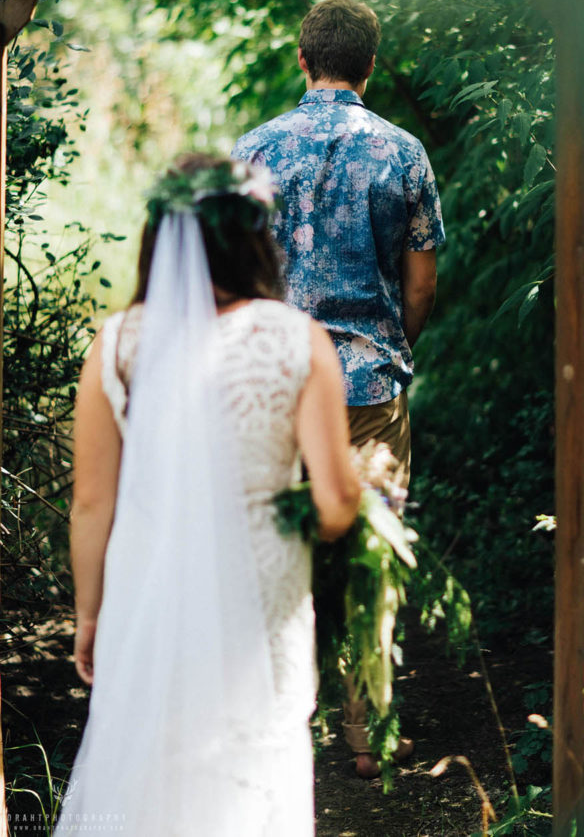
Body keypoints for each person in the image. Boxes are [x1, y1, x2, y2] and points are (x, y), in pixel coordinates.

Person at [55, 153, 361, 837]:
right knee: (256, 769)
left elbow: (91, 505)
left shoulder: (116, 345)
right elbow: (338, 504)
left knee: (152, 770)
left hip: (149, 591)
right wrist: (332, 501)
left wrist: (91, 615)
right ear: (252, 235)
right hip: (261, 597)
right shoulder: (298, 340)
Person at [232, 0, 445, 778]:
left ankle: (272, 719)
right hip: (368, 385)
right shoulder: (403, 154)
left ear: (301, 58)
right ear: (371, 65)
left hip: (277, 383)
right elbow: (420, 285)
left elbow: (232, 278)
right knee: (372, 547)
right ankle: (366, 735)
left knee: (273, 548)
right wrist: (388, 346)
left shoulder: (251, 150)